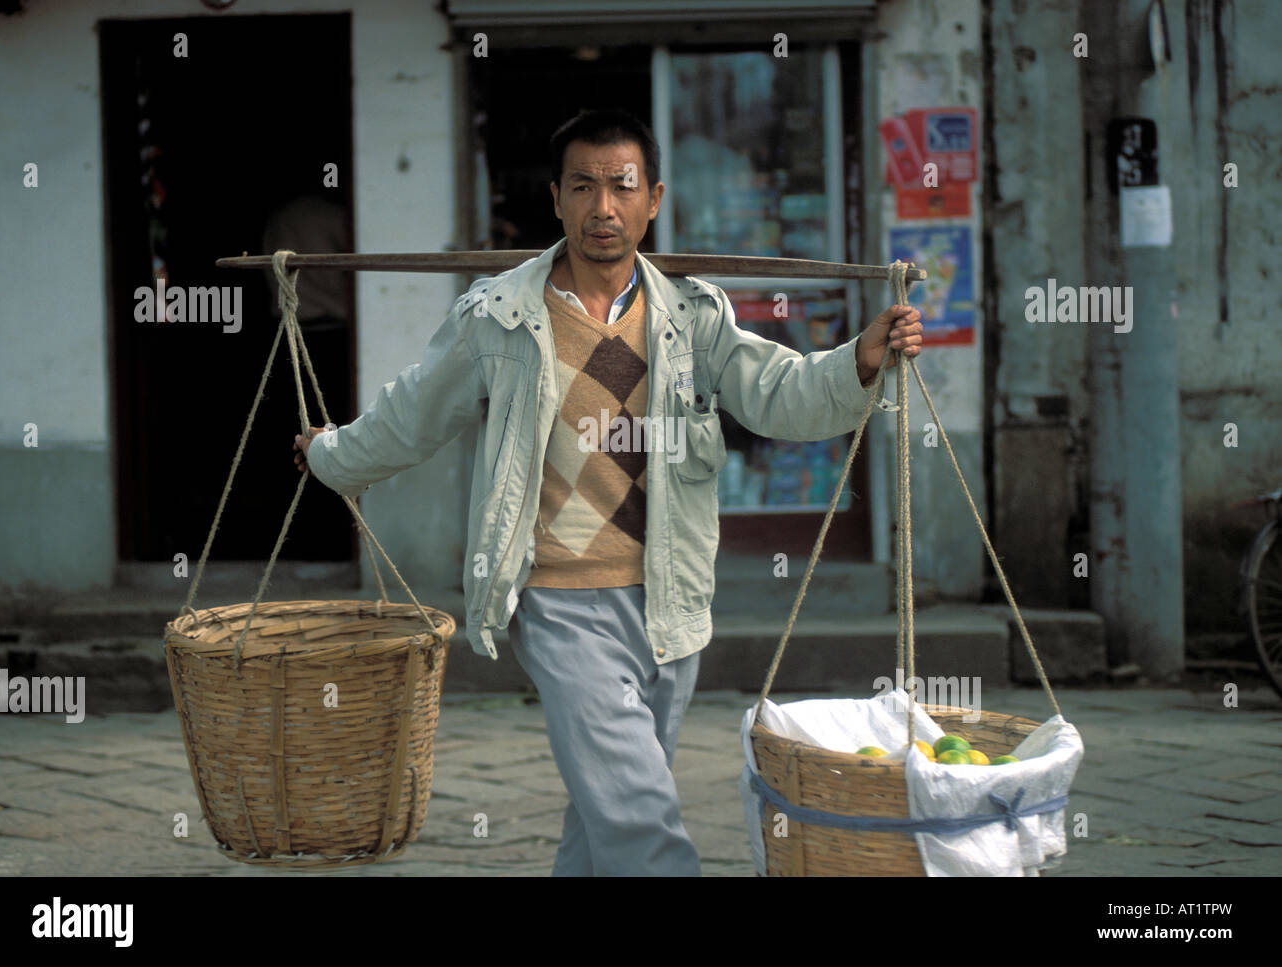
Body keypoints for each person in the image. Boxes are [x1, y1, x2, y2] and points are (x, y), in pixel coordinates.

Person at [292, 109, 923, 876]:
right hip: (561, 604)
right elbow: (413, 412)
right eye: (583, 186)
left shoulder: (691, 315)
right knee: (641, 818)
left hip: (668, 600)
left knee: (603, 822)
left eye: (621, 186)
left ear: (652, 198)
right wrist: (331, 456)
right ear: (555, 198)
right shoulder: (501, 318)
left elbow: (779, 392)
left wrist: (860, 358)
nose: (603, 207)